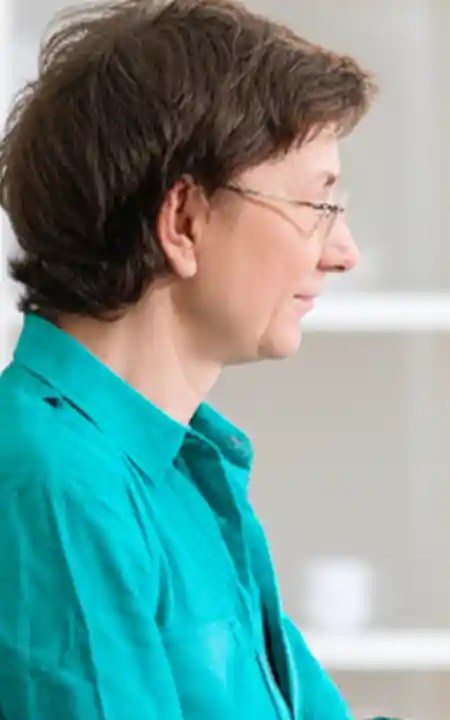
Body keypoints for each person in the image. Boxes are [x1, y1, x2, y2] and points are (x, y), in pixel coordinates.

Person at [0, 1, 375, 717]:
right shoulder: (52, 482)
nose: (342, 252)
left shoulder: (191, 472)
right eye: (316, 206)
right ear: (184, 221)